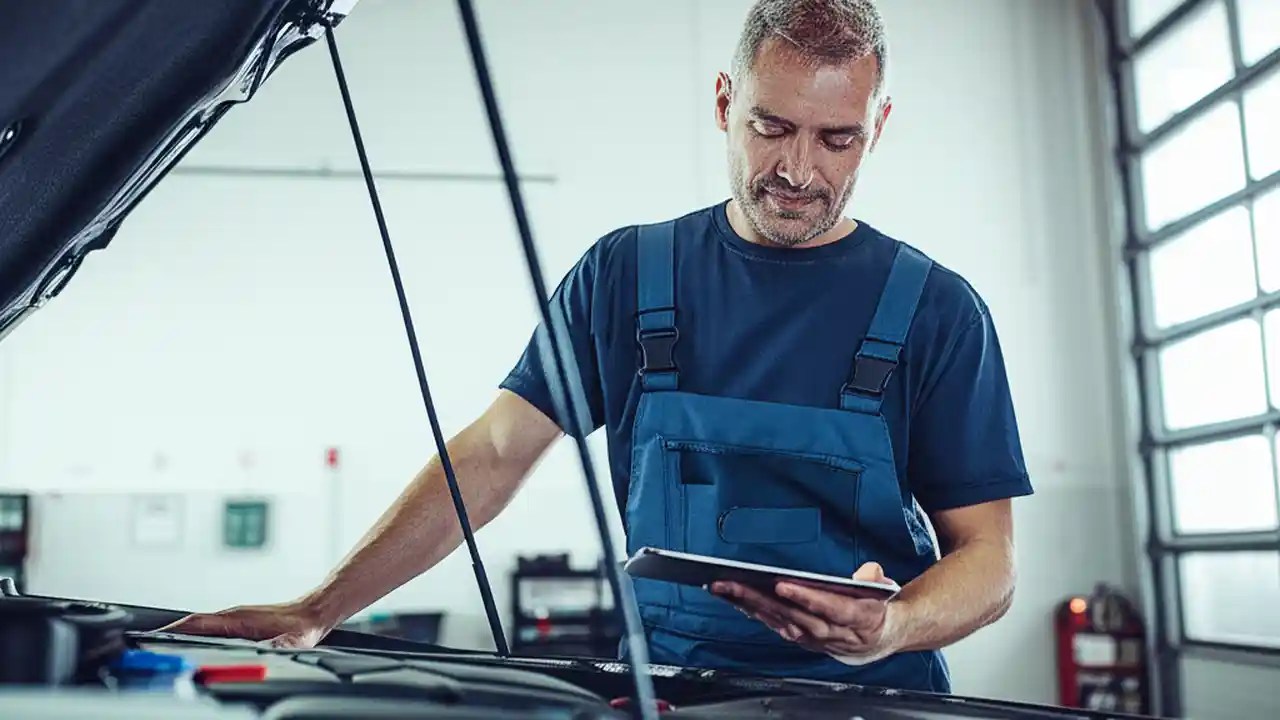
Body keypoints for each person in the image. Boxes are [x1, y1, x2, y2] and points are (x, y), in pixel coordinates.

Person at [162, 0, 1033, 693]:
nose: (799, 169)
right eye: (772, 127)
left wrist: (894, 625)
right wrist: (319, 609)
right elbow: (495, 455)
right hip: (668, 693)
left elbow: (989, 564)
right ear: (726, 102)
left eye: (836, 139)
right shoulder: (628, 275)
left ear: (877, 126)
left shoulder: (935, 311)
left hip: (870, 702)